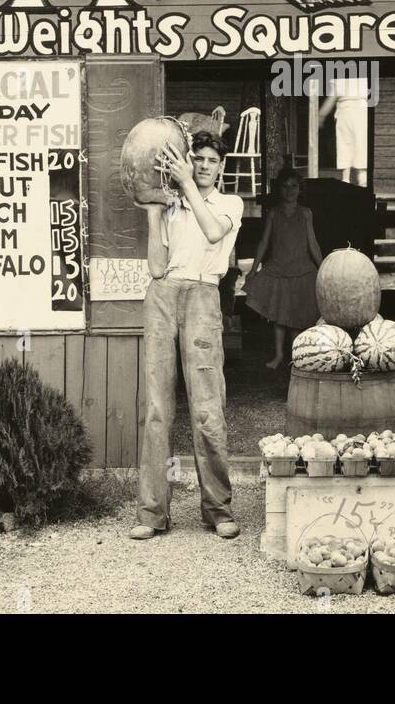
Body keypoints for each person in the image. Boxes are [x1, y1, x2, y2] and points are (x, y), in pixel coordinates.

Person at [131, 131, 243, 541]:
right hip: (163, 294)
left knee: (207, 408)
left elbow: (214, 233)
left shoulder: (230, 203)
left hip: (202, 294)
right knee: (159, 408)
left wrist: (182, 187)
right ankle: (151, 513)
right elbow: (157, 269)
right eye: (197, 158)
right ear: (189, 160)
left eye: (212, 160)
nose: (204, 166)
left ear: (221, 167)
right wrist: (154, 213)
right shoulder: (173, 204)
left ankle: (218, 509)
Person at [244, 166, 323, 370]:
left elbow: (312, 242)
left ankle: (296, 355)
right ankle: (279, 355)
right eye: (285, 186)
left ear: (300, 189)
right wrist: (254, 269)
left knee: (296, 316)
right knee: (279, 315)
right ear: (279, 189)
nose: (289, 190)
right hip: (278, 268)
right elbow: (264, 242)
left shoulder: (306, 213)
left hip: (301, 269)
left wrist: (323, 267)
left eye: (294, 186)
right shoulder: (273, 213)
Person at [318, 72, 370, 187]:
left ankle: (347, 178)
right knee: (361, 143)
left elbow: (332, 97)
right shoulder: (363, 76)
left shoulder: (341, 76)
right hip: (361, 110)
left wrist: (321, 115)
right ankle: (361, 178)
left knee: (345, 144)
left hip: (347, 110)